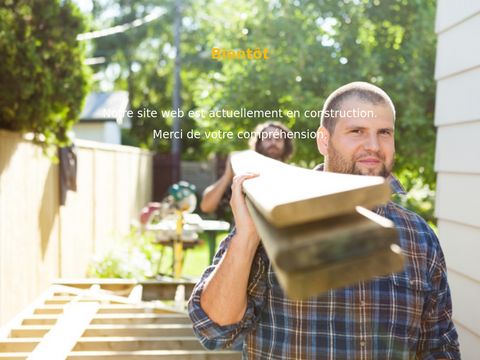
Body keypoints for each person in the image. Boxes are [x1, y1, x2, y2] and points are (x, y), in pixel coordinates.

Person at [188, 82, 460, 359]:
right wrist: (246, 238)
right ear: (324, 140)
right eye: (357, 131)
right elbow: (214, 331)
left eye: (384, 133)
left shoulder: (419, 237)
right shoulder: (277, 214)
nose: (374, 146)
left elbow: (440, 348)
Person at [199, 121, 294, 214]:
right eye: (268, 138)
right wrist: (228, 175)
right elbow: (206, 207)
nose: (273, 142)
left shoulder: (291, 176)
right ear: (259, 143)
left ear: (285, 144)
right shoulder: (245, 174)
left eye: (278, 139)